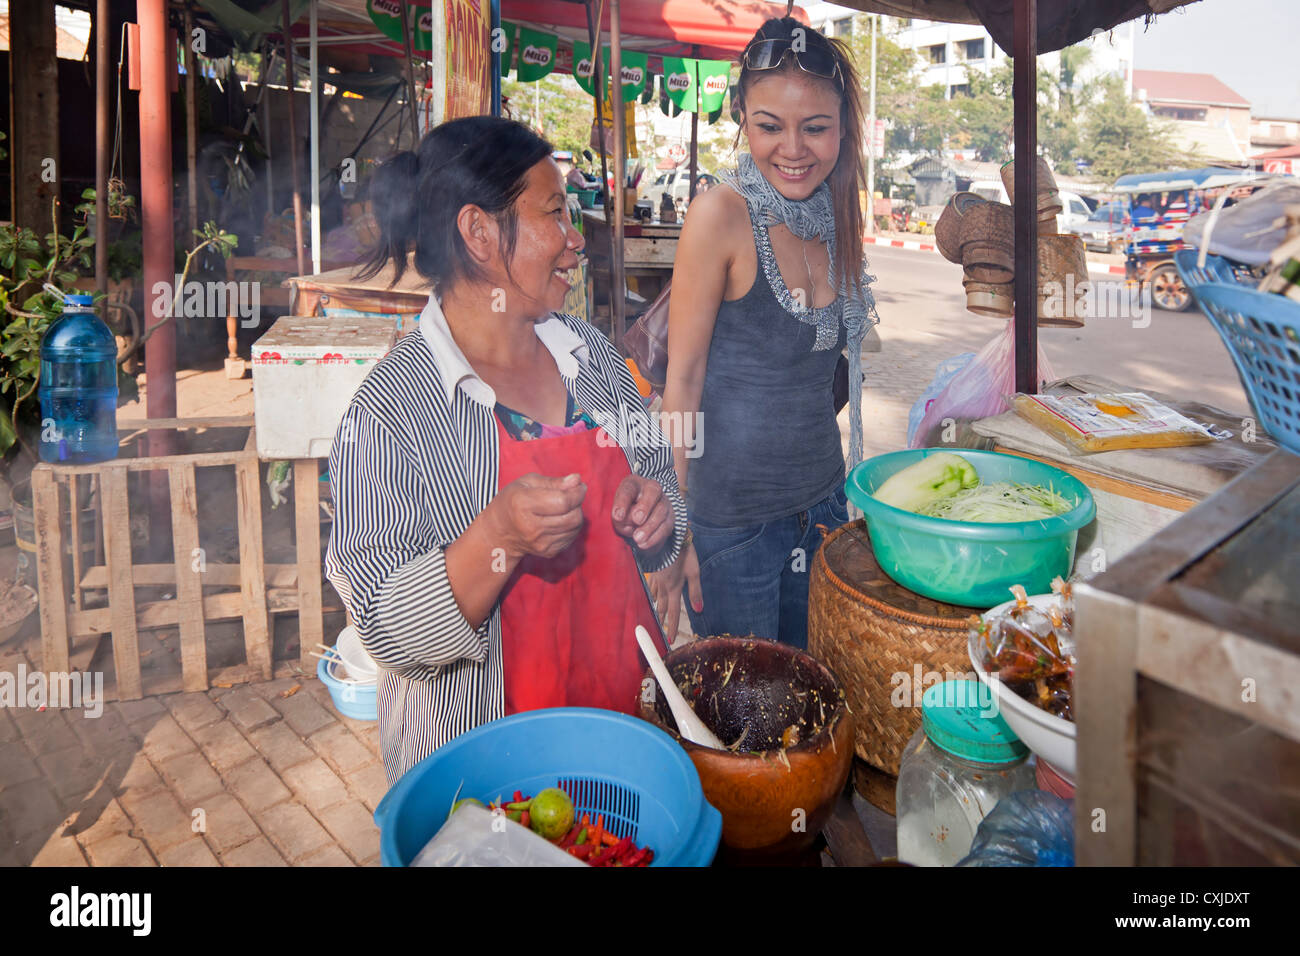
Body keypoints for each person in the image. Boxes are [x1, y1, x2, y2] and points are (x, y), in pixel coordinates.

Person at [325, 117, 685, 783]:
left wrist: (660, 525)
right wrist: (497, 536)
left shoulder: (594, 358)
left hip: (623, 732)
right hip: (488, 767)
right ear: (479, 232)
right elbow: (382, 630)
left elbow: (662, 486)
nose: (575, 240)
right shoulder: (389, 411)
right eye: (554, 212)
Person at [649, 17, 879, 650]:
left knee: (810, 712)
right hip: (733, 531)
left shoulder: (837, 212)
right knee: (747, 731)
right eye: (769, 126)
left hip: (826, 512)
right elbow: (683, 380)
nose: (793, 149)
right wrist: (679, 532)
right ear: (743, 121)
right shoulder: (719, 215)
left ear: (843, 129)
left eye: (816, 128)